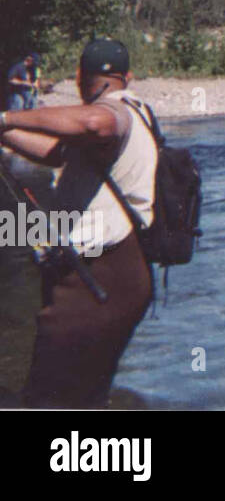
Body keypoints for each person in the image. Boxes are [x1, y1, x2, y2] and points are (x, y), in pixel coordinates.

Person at [0, 38, 155, 407]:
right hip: (122, 277)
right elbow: (57, 154)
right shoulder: (138, 109)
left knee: (45, 397)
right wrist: (4, 134)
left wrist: (6, 117)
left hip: (98, 282)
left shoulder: (113, 112)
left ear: (80, 76)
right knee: (83, 395)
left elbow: (93, 121)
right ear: (128, 76)